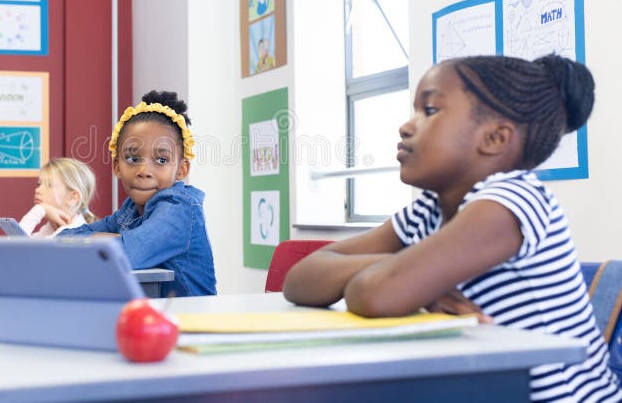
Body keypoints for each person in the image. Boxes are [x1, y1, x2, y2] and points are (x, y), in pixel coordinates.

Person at [283, 54, 621, 402]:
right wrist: (415, 280)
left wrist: (404, 275)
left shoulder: (515, 200)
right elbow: (299, 279)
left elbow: (373, 294)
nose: (406, 126)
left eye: (429, 111)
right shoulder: (426, 211)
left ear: (494, 138)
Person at [58, 90, 217, 297]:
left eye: (161, 160)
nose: (144, 171)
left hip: (191, 321)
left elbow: (125, 254)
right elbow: (63, 238)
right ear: (117, 166)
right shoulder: (131, 211)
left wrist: (116, 241)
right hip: (152, 316)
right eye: (133, 159)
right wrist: (117, 239)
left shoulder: (179, 208)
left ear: (181, 170)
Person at [18, 157, 97, 238]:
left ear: (73, 198)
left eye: (49, 185)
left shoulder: (72, 234)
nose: (38, 190)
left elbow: (16, 246)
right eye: (39, 184)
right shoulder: (50, 229)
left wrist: (39, 210)